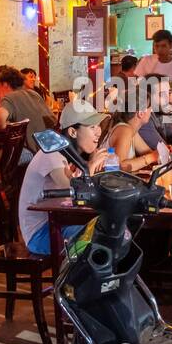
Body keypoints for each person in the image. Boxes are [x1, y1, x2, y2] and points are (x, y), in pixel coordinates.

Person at [18, 101, 109, 254]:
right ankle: (79, 278)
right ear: (73, 132)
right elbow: (70, 189)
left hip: (61, 224)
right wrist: (90, 167)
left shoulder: (72, 155)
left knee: (109, 229)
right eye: (91, 127)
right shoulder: (52, 152)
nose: (98, 132)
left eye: (98, 125)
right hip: (41, 234)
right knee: (95, 239)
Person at [0, 66, 55, 156]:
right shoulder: (34, 94)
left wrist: (4, 124)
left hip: (31, 153)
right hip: (50, 148)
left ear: (5, 85)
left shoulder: (10, 97)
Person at [105, 105, 163, 173]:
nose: (151, 110)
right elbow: (118, 167)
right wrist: (152, 157)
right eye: (150, 107)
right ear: (140, 113)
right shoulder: (124, 130)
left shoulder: (132, 131)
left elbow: (147, 152)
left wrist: (163, 151)